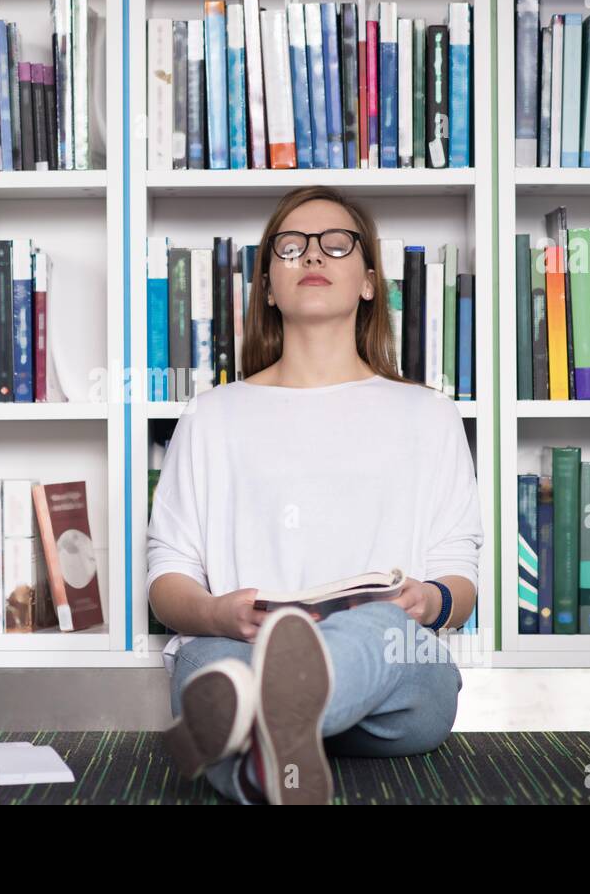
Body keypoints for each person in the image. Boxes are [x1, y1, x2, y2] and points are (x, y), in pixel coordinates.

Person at [146, 185, 484, 805]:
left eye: (336, 244)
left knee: (408, 656)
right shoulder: (213, 416)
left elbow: (459, 582)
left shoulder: (429, 415)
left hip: (388, 687)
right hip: (239, 647)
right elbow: (167, 581)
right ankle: (276, 734)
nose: (313, 257)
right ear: (269, 287)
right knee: (205, 666)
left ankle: (261, 720)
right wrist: (221, 615)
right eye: (291, 246)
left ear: (368, 282)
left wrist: (424, 602)